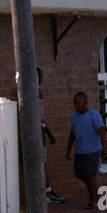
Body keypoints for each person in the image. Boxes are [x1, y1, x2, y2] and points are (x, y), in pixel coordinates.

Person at [66, 91, 107, 209]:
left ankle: (94, 200)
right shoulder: (74, 116)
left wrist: (104, 145)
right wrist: (68, 150)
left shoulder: (93, 115)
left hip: (92, 150)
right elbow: (72, 134)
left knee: (89, 176)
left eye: (78, 104)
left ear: (85, 103)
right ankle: (97, 194)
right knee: (80, 174)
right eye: (74, 104)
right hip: (80, 151)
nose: (76, 106)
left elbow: (101, 131)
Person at [36, 68, 66, 205]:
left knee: (44, 160)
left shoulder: (39, 92)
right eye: (38, 76)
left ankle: (47, 189)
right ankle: (45, 191)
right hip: (35, 134)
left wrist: (49, 134)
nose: (41, 79)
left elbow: (42, 117)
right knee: (41, 161)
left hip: (42, 131)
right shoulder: (31, 92)